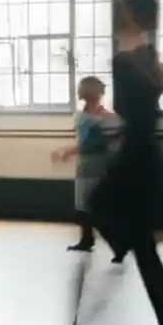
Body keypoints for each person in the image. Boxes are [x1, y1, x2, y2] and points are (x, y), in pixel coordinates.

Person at [88, 0, 163, 325]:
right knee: (145, 251)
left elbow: (129, 109)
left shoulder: (126, 61)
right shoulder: (151, 60)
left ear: (131, 19)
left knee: (100, 211)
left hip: (136, 159)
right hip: (145, 156)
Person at [52, 76, 121, 260]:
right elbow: (84, 142)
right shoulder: (81, 116)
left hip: (99, 167)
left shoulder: (108, 119)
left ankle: (118, 245)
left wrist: (69, 151)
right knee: (83, 208)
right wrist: (70, 151)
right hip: (85, 165)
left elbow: (103, 145)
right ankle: (87, 239)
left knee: (96, 210)